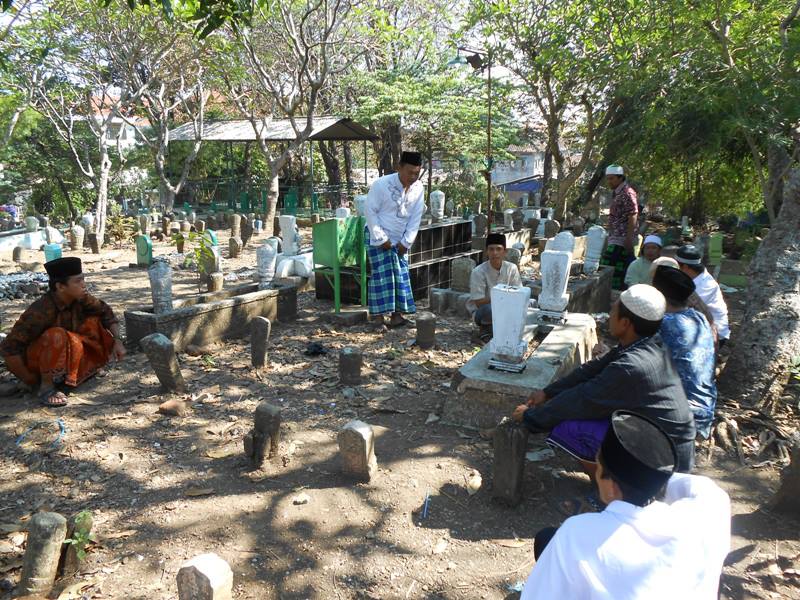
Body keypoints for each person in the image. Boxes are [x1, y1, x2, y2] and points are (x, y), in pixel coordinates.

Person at [521, 410, 731, 600]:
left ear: (612, 487)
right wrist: (648, 476)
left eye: (598, 466)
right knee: (547, 539)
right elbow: (702, 487)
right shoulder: (706, 514)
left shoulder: (577, 534)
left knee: (548, 539)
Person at [512, 284, 696, 472]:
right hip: (663, 441)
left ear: (625, 323)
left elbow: (583, 399)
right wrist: (547, 392)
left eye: (613, 311)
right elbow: (590, 370)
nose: (609, 315)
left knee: (568, 426)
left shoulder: (631, 367)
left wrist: (530, 417)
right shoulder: (646, 344)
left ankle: (614, 493)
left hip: (665, 458)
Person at [0, 257, 126, 406]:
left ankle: (74, 375)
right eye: (78, 281)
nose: (84, 285)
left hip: (63, 356)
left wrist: (117, 340)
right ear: (60, 287)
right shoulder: (40, 310)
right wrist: (30, 380)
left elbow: (107, 314)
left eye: (83, 279)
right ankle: (46, 387)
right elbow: (9, 348)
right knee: (57, 335)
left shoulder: (82, 299)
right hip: (38, 362)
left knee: (93, 322)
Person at [652, 266, 718, 438]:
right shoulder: (699, 317)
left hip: (680, 417)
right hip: (705, 412)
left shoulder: (663, 323)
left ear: (658, 293)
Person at [364, 151, 425, 329]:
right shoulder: (381, 185)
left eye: (416, 173)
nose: (413, 177)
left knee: (400, 275)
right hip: (378, 235)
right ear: (399, 167)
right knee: (381, 277)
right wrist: (381, 238)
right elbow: (370, 211)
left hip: (401, 239)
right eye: (409, 172)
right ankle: (377, 318)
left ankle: (397, 316)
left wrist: (406, 242)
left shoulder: (419, 187)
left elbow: (416, 217)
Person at [466, 233, 522, 342]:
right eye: (491, 249)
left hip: (507, 307)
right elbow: (478, 302)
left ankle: (503, 329)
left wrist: (506, 299)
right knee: (491, 309)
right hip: (483, 311)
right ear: (487, 251)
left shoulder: (512, 268)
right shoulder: (478, 272)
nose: (494, 253)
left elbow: (518, 292)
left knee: (528, 303)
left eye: (498, 249)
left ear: (505, 252)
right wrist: (500, 295)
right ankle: (486, 329)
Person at [676, 245, 730, 346]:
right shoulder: (694, 276)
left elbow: (684, 308)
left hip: (714, 333)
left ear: (686, 267)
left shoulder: (705, 286)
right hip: (698, 325)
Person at [599, 165, 638, 290]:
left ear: (620, 178)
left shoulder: (627, 193)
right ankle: (614, 293)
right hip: (615, 236)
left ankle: (615, 292)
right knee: (618, 269)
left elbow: (633, 214)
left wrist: (629, 238)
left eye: (611, 179)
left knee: (608, 267)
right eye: (608, 179)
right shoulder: (617, 192)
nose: (609, 181)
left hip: (622, 238)